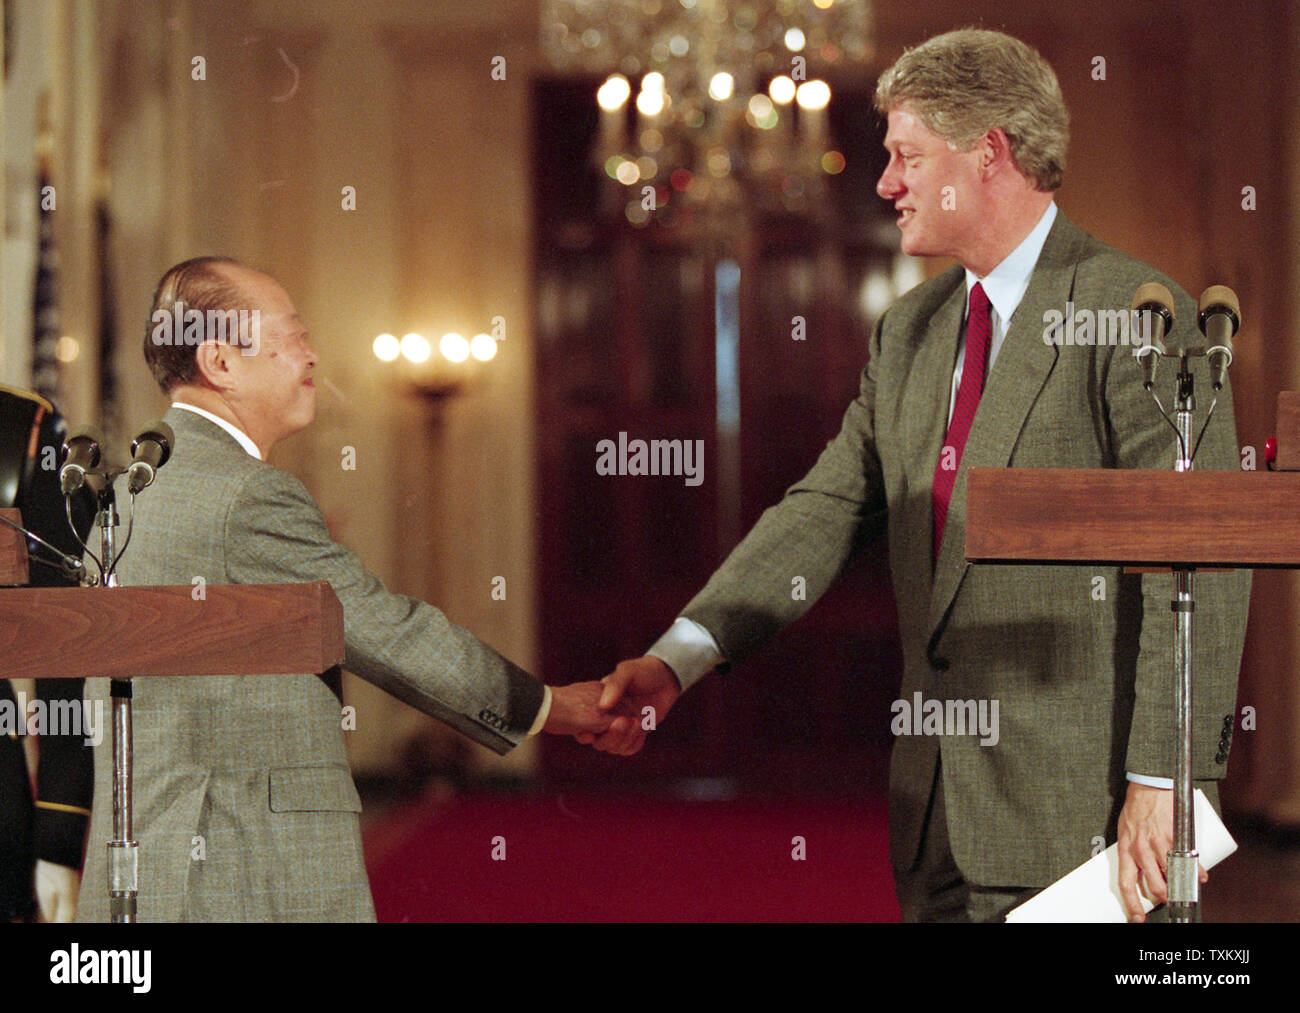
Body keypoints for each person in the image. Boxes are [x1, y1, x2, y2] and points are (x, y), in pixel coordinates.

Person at [588, 29, 1251, 923]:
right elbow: (823, 509)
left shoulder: (1138, 312)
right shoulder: (911, 329)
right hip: (933, 817)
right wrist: (680, 658)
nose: (884, 183)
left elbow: (1205, 561)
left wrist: (1165, 780)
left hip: (1090, 826)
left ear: (989, 154)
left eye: (905, 156)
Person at [76, 257, 610, 922]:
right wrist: (547, 706)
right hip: (242, 868)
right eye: (293, 336)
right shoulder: (249, 493)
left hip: (158, 866)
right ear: (221, 361)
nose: (312, 355)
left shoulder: (129, 488)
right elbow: (386, 630)